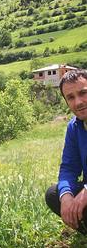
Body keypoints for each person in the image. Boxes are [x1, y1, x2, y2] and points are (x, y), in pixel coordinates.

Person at [45, 69, 87, 234]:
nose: (78, 102)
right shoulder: (74, 127)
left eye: (83, 93)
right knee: (53, 194)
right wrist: (66, 196)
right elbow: (69, 168)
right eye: (70, 97)